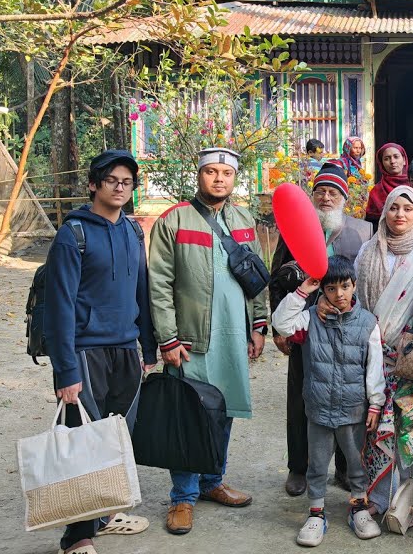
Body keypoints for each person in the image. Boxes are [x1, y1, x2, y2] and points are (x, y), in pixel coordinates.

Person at [149, 147, 269, 535]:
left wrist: (259, 325)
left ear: (235, 179)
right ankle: (182, 496)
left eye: (226, 173)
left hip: (234, 335)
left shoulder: (243, 218)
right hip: (190, 338)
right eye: (211, 172)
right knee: (188, 413)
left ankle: (212, 481)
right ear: (198, 175)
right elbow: (159, 284)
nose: (219, 179)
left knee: (224, 409)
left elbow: (257, 277)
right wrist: (167, 338)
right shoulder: (174, 220)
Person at [44, 149, 156, 554]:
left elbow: (141, 290)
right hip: (85, 353)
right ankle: (76, 538)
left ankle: (104, 516)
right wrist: (65, 372)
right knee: (83, 443)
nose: (120, 187)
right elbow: (58, 306)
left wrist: (148, 347)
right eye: (111, 180)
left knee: (115, 439)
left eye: (126, 181)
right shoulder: (72, 234)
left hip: (126, 349)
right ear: (94, 184)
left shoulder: (132, 231)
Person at [269, 161, 373, 498]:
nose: (326, 198)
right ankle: (299, 468)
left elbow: (365, 282)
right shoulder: (295, 229)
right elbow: (275, 280)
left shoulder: (361, 232)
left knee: (348, 398)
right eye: (320, 192)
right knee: (301, 399)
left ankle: (345, 469)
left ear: (344, 198)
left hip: (348, 331)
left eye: (333, 192)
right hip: (305, 329)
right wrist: (277, 330)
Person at [272, 256, 385, 546]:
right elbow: (281, 323)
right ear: (322, 290)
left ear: (354, 286)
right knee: (318, 462)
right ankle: (316, 513)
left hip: (354, 409)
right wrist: (303, 291)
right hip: (319, 408)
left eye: (345, 287)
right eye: (331, 288)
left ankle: (359, 507)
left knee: (356, 462)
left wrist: (375, 402)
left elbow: (374, 367)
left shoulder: (368, 323)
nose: (339, 295)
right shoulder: (310, 319)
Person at [352, 186, 413, 528]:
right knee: (376, 429)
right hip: (374, 356)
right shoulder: (367, 252)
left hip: (411, 357)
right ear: (384, 212)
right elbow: (358, 304)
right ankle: (379, 496)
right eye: (393, 208)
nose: (400, 215)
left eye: (407, 208)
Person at [365, 143, 409, 226]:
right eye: (386, 159)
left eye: (396, 157)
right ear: (382, 164)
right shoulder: (376, 191)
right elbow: (372, 223)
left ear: (404, 160)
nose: (392, 161)